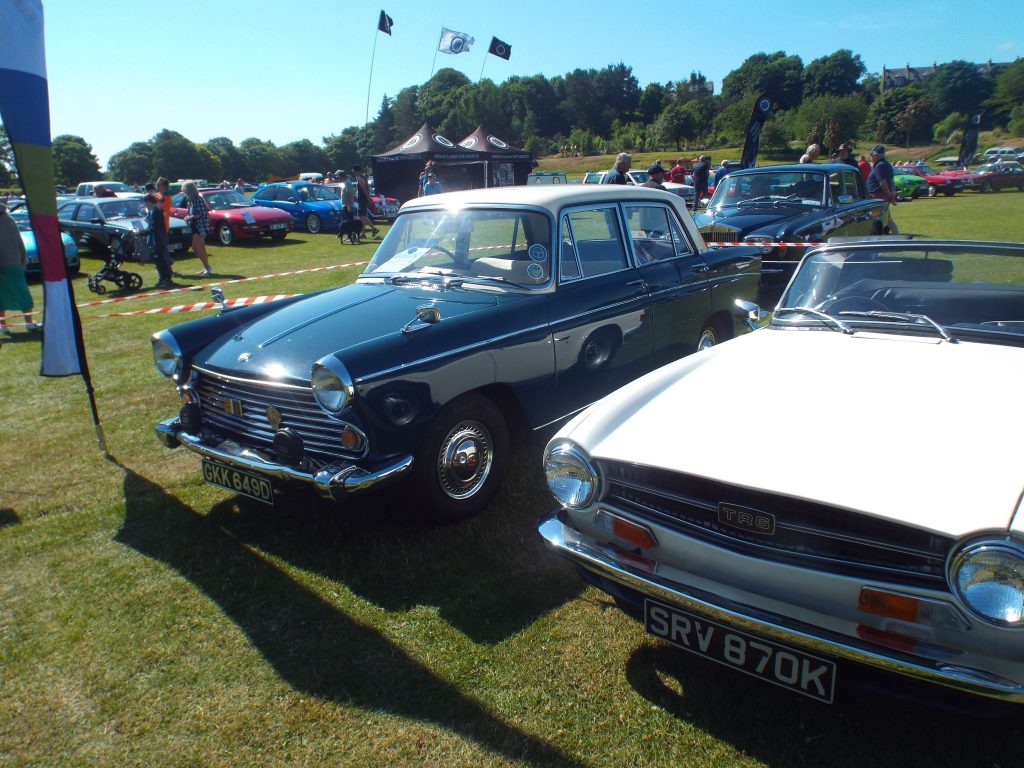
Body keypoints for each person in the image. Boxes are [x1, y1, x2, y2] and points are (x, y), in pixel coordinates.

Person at [0, 203, 40, 334]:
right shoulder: (9, 221)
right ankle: (29, 323)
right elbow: (19, 243)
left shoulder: (9, 220)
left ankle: (3, 325)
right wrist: (22, 262)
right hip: (13, 264)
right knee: (23, 293)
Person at [142, 193, 174, 288]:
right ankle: (165, 277)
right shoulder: (153, 211)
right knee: (159, 258)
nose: (145, 205)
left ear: (148, 202)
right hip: (157, 237)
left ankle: (164, 278)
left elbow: (154, 227)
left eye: (145, 203)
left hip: (158, 238)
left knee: (159, 259)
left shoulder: (156, 210)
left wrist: (142, 233)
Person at [182, 181, 212, 275]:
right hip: (194, 225)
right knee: (201, 247)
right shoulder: (189, 201)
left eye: (185, 190)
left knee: (195, 247)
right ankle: (206, 267)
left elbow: (203, 213)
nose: (184, 192)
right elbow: (191, 213)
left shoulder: (198, 199)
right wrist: (188, 217)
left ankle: (207, 267)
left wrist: (192, 217)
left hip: (201, 226)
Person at [351, 164, 380, 238]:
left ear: (355, 171)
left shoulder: (360, 179)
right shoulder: (363, 177)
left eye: (353, 170)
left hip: (362, 199)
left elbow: (364, 189)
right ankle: (363, 233)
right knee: (363, 216)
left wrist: (368, 198)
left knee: (361, 216)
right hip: (362, 199)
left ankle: (373, 228)